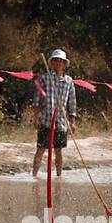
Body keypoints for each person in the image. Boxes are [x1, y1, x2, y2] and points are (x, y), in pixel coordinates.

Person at [31, 48, 77, 179]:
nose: (58, 63)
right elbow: (37, 99)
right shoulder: (44, 79)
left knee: (58, 151)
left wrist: (72, 122)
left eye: (60, 61)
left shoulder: (69, 81)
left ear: (64, 63)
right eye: (55, 60)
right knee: (40, 149)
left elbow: (72, 102)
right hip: (46, 120)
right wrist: (36, 117)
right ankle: (34, 176)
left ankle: (59, 177)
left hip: (61, 122)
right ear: (51, 63)